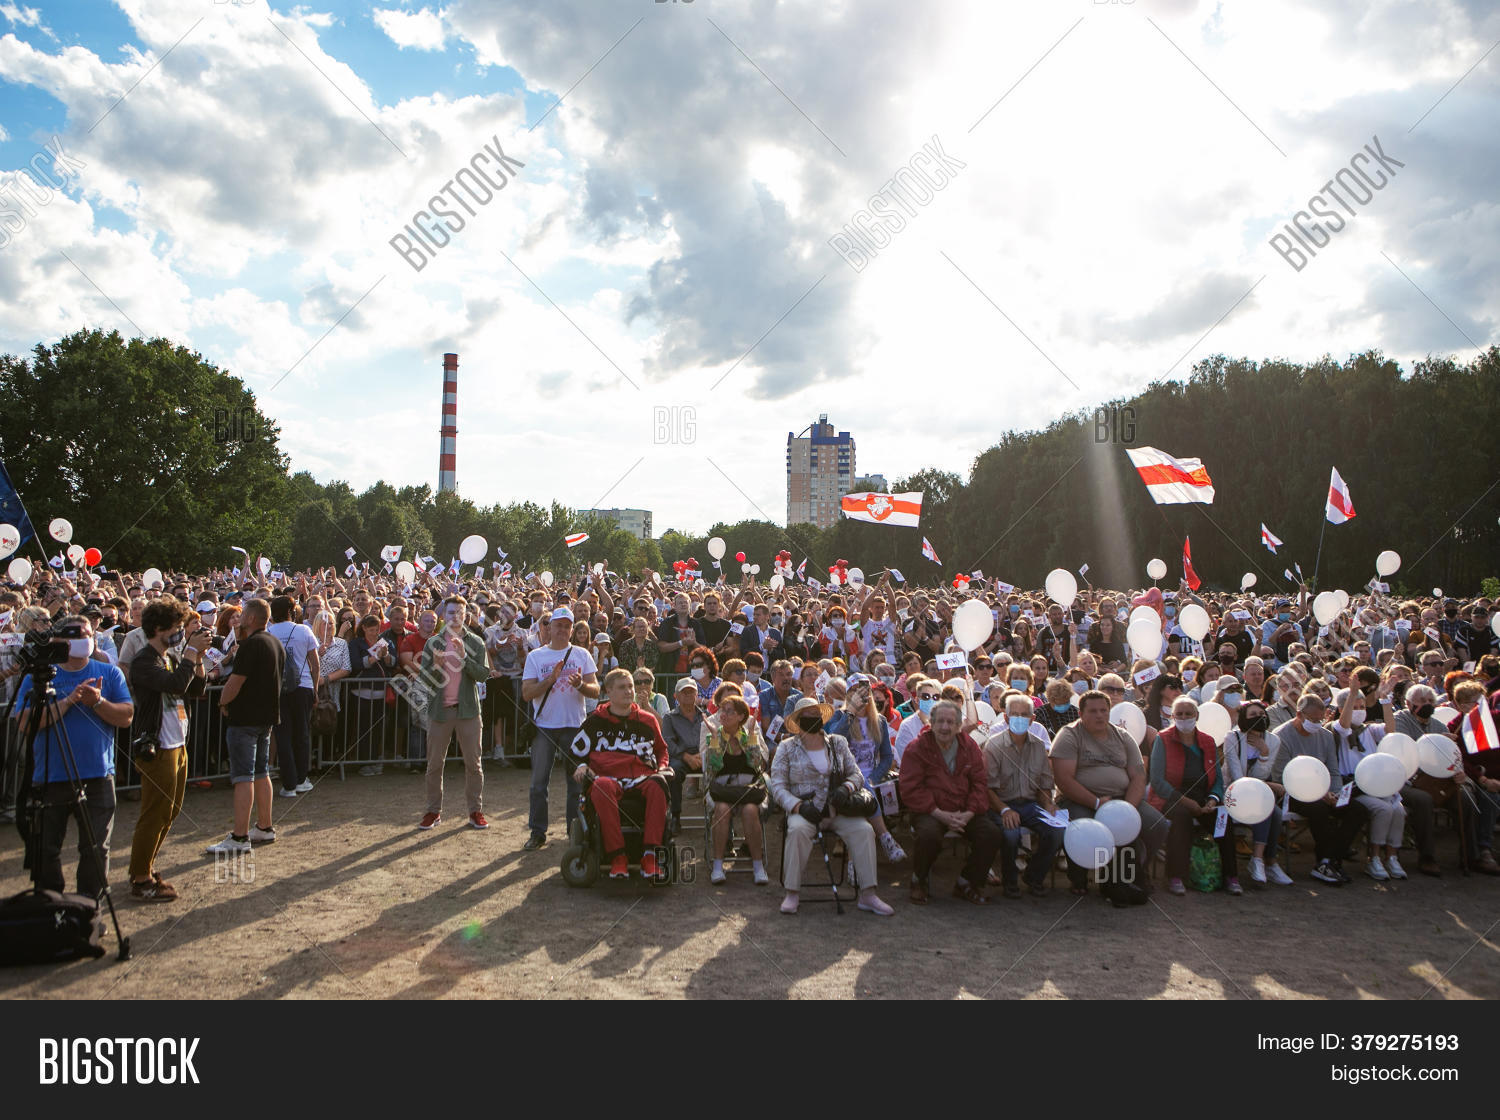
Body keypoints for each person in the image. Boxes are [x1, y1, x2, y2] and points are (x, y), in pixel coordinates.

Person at [13, 616, 134, 899]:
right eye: (78, 634)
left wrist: (98, 703)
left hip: (98, 775)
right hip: (50, 776)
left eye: (89, 634)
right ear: (61, 640)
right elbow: (26, 723)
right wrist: (68, 702)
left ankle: (89, 910)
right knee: (46, 848)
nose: (86, 639)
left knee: (95, 848)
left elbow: (126, 717)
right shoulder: (38, 677)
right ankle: (51, 908)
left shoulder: (109, 673)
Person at [769, 697, 893, 916]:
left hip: (838, 809)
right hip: (805, 811)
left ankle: (868, 894)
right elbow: (777, 787)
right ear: (797, 721)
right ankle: (792, 892)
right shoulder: (786, 748)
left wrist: (845, 788)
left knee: (864, 830)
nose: (811, 719)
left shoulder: (837, 742)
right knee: (797, 830)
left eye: (815, 714)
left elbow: (855, 774)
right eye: (806, 716)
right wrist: (797, 806)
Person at [127, 598, 210, 901]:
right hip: (157, 746)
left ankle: (145, 868)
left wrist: (198, 657)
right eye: (177, 627)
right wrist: (189, 652)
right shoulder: (144, 660)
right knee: (154, 813)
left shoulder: (170, 657)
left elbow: (196, 689)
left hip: (177, 743)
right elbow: (175, 685)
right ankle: (140, 878)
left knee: (170, 812)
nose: (180, 632)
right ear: (159, 628)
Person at [1050, 690, 1169, 897]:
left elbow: (1139, 777)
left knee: (1157, 824)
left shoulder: (1123, 737)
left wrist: (1125, 810)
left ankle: (1134, 872)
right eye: (1093, 711)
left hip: (1122, 800)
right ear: (1081, 713)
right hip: (1079, 800)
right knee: (1082, 828)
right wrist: (1096, 803)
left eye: (1104, 711)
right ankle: (1078, 878)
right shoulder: (1069, 736)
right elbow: (1064, 779)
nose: (1099, 715)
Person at [569, 668, 673, 880]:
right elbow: (574, 753)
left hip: (642, 776)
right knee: (601, 787)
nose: (629, 691)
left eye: (630, 687)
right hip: (608, 777)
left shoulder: (647, 720)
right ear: (609, 691)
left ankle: (650, 856)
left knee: (658, 784)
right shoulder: (594, 722)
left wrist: (662, 767)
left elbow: (662, 750)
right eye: (622, 687)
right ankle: (618, 857)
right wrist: (581, 766)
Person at [899, 699, 1003, 904]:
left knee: (991, 834)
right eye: (940, 721)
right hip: (930, 811)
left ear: (958, 725)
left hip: (964, 810)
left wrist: (969, 812)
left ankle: (968, 882)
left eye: (950, 722)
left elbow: (979, 783)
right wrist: (938, 813)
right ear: (931, 723)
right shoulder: (917, 748)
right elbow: (911, 788)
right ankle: (918, 880)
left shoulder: (969, 746)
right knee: (928, 835)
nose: (945, 727)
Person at [207, 598, 283, 856]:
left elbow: (235, 682)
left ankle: (240, 836)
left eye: (243, 616)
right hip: (266, 718)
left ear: (251, 618)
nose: (238, 621)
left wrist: (222, 702)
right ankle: (265, 826)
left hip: (246, 719)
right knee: (261, 772)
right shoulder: (274, 643)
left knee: (243, 776)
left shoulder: (250, 645)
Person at [1269, 691, 1369, 885]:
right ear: (1299, 715)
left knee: (1358, 811)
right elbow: (1281, 778)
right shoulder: (1281, 737)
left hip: (1325, 791)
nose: (1317, 723)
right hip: (1292, 793)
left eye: (1320, 719)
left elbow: (1332, 769)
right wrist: (1319, 794)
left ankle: (1330, 860)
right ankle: (1324, 861)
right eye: (1312, 719)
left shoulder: (1325, 735)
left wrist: (1336, 793)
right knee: (1319, 810)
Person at [520, 606, 599, 850]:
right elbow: (526, 694)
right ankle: (537, 832)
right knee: (538, 783)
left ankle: (574, 831)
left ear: (572, 629)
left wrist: (581, 686)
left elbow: (595, 690)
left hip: (574, 726)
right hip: (544, 726)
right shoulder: (536, 657)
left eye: (567, 625)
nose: (562, 629)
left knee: (575, 784)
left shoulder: (582, 654)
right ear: (549, 627)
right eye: (558, 625)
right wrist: (550, 680)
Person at [1149, 697, 1239, 895]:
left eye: (1188, 714)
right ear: (1172, 717)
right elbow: (1157, 781)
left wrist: (1213, 799)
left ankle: (1230, 875)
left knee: (1223, 817)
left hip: (1203, 795)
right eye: (1179, 714)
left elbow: (1216, 779)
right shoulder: (1162, 739)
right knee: (1181, 818)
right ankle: (1176, 875)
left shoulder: (1207, 741)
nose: (1184, 718)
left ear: (1196, 716)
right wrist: (1188, 803)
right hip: (1172, 797)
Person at [415, 597, 491, 831]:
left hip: (468, 711)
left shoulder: (476, 642)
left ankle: (475, 811)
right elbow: (426, 681)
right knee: (434, 764)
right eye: (450, 612)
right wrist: (437, 666)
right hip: (440, 712)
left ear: (466, 616)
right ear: (444, 616)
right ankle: (433, 811)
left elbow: (483, 674)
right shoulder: (433, 643)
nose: (455, 616)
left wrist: (464, 659)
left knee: (474, 764)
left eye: (459, 612)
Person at [984, 692, 1063, 897]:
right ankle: (1010, 882)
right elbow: (987, 788)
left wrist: (1049, 804)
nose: (1019, 718)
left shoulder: (1038, 745)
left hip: (1029, 804)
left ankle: (1034, 876)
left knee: (1056, 831)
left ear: (1032, 719)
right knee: (1010, 834)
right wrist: (1004, 810)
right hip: (1000, 804)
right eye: (1015, 714)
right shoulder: (993, 745)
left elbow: (1044, 783)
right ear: (1006, 718)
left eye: (1024, 714)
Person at [1327, 683, 1404, 880]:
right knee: (1383, 809)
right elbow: (1344, 726)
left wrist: (1386, 700)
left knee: (1398, 809)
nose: (1359, 711)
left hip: (1376, 783)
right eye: (1355, 707)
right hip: (1353, 787)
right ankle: (1374, 858)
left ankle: (1392, 857)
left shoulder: (1369, 730)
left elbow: (1390, 730)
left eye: (1362, 707)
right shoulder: (1336, 729)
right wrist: (1352, 694)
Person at [826, 673, 904, 861]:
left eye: (864, 691)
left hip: (871, 779)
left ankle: (855, 865)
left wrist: (873, 778)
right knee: (858, 786)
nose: (860, 695)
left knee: (864, 791)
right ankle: (885, 837)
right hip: (844, 779)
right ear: (847, 695)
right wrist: (850, 711)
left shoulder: (879, 721)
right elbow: (834, 741)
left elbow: (886, 756)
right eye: (854, 691)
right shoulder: (838, 716)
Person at [1223, 696, 1293, 885]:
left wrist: (1263, 753)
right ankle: (1262, 861)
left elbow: (1262, 775)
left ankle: (1264, 862)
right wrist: (1269, 786)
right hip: (1233, 792)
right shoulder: (1233, 737)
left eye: (1262, 713)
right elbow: (1238, 777)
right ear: (1244, 718)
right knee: (1268, 811)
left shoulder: (1273, 741)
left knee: (1275, 813)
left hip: (1257, 791)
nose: (1259, 717)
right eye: (1253, 714)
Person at [703, 694, 769, 884]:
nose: (723, 714)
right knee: (722, 809)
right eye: (722, 710)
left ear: (741, 716)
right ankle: (717, 866)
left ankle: (758, 866)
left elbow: (757, 765)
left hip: (748, 789)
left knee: (750, 810)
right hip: (722, 790)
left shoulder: (749, 736)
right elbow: (712, 768)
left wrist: (752, 737)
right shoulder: (713, 735)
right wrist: (715, 738)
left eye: (729, 711)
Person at [267, 594, 320, 797]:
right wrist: (315, 689)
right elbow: (315, 664)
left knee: (282, 735)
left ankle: (288, 784)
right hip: (303, 686)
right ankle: (300, 779)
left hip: (278, 688)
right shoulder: (303, 630)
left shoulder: (269, 632)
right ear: (292, 610)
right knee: (301, 734)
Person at [661, 676, 705, 820]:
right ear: (676, 696)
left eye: (691, 692)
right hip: (680, 757)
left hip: (703, 755)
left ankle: (722, 819)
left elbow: (712, 738)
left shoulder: (705, 716)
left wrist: (702, 754)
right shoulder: (669, 717)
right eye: (684, 692)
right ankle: (676, 816)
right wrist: (687, 757)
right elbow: (668, 742)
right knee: (672, 773)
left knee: (721, 771)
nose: (688, 695)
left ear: (696, 695)